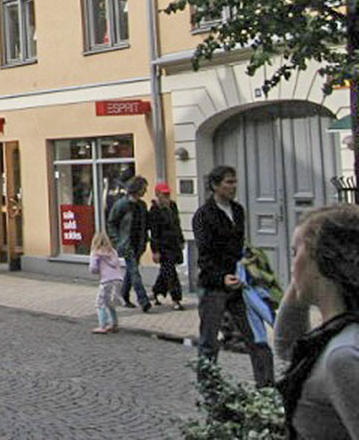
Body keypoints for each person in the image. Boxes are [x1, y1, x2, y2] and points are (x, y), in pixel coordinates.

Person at [274, 204, 359, 439]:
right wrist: (303, 278)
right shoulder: (337, 334)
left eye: (295, 253)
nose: (291, 266)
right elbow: (288, 346)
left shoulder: (342, 356)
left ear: (319, 259)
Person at [192, 165, 275, 387]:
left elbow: (240, 246)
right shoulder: (203, 215)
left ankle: (266, 386)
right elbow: (205, 255)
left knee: (256, 337)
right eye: (228, 182)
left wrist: (247, 268)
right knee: (209, 340)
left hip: (239, 283)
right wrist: (221, 278)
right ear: (215, 185)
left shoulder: (237, 210)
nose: (233, 186)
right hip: (214, 286)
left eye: (234, 182)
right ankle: (209, 387)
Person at [107, 175, 151, 312]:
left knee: (131, 272)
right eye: (144, 188)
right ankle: (143, 300)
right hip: (127, 243)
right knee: (134, 272)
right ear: (136, 188)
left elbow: (146, 224)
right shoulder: (122, 204)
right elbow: (112, 223)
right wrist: (117, 240)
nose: (145, 191)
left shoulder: (142, 205)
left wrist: (146, 240)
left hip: (138, 243)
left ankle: (124, 295)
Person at [148, 181, 185, 310]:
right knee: (171, 272)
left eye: (168, 194)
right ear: (157, 194)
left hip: (174, 244)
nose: (167, 197)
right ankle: (176, 298)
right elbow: (154, 232)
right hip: (163, 246)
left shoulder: (173, 206)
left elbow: (177, 225)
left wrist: (181, 240)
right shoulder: (154, 210)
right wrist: (155, 250)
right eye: (164, 194)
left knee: (166, 270)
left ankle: (156, 291)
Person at [89, 229, 125, 334]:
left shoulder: (95, 252)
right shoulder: (112, 251)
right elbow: (116, 264)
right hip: (118, 279)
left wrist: (96, 271)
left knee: (100, 303)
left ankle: (102, 326)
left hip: (106, 280)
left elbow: (93, 268)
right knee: (110, 303)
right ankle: (114, 323)